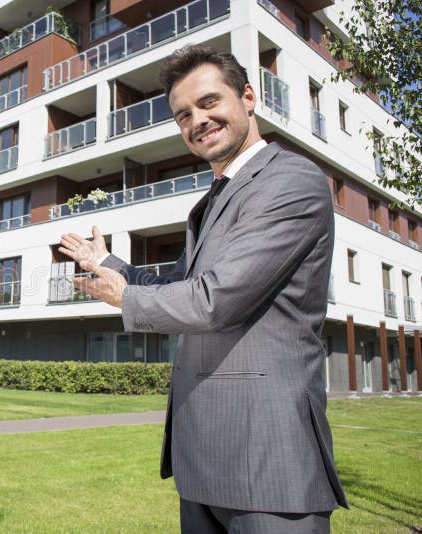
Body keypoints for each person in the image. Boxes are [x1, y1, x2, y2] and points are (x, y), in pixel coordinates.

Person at [59, 45, 348, 533]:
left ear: (249, 97)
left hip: (267, 462)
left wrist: (122, 296)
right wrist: (106, 264)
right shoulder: (214, 199)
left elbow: (215, 300)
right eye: (184, 115)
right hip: (202, 462)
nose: (198, 120)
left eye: (210, 103)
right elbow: (180, 286)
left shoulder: (290, 180)